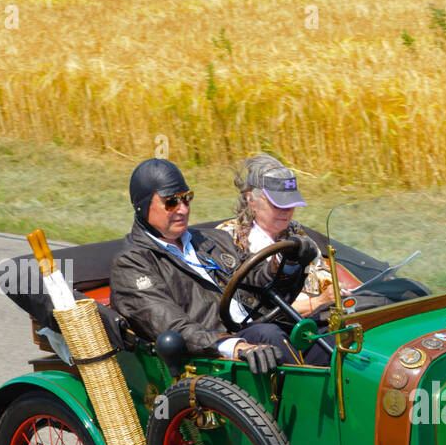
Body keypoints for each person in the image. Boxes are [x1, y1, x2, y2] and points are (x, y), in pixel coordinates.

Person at [109, 158, 312, 372]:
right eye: (171, 202)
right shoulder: (131, 264)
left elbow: (256, 281)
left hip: (256, 330)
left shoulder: (214, 240)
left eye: (186, 199)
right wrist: (234, 346)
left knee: (322, 327)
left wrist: (286, 262)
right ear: (142, 206)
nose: (183, 209)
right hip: (210, 356)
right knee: (268, 334)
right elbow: (171, 326)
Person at [218, 154, 350, 323]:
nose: (287, 210)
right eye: (278, 204)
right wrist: (317, 303)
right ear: (251, 200)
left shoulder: (295, 231)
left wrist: (337, 292)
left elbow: (323, 278)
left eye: (291, 203)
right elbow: (249, 309)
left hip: (317, 319)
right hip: (272, 330)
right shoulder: (228, 237)